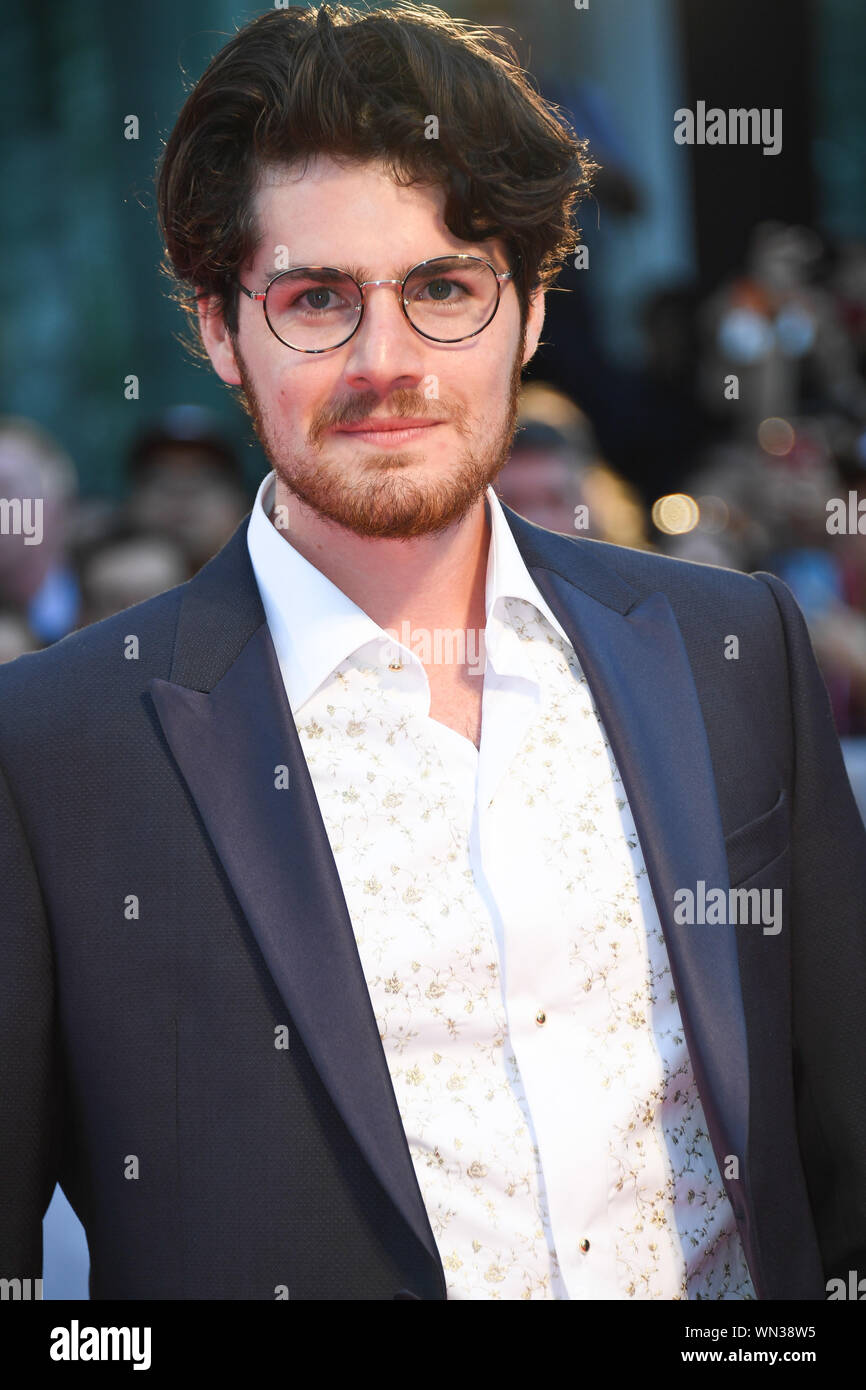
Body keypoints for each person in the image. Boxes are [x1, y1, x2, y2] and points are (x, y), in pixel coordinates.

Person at [1, 3, 864, 1302]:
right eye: (315, 300)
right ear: (220, 330)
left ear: (523, 312)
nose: (385, 362)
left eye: (443, 287)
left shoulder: (727, 650)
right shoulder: (55, 745)